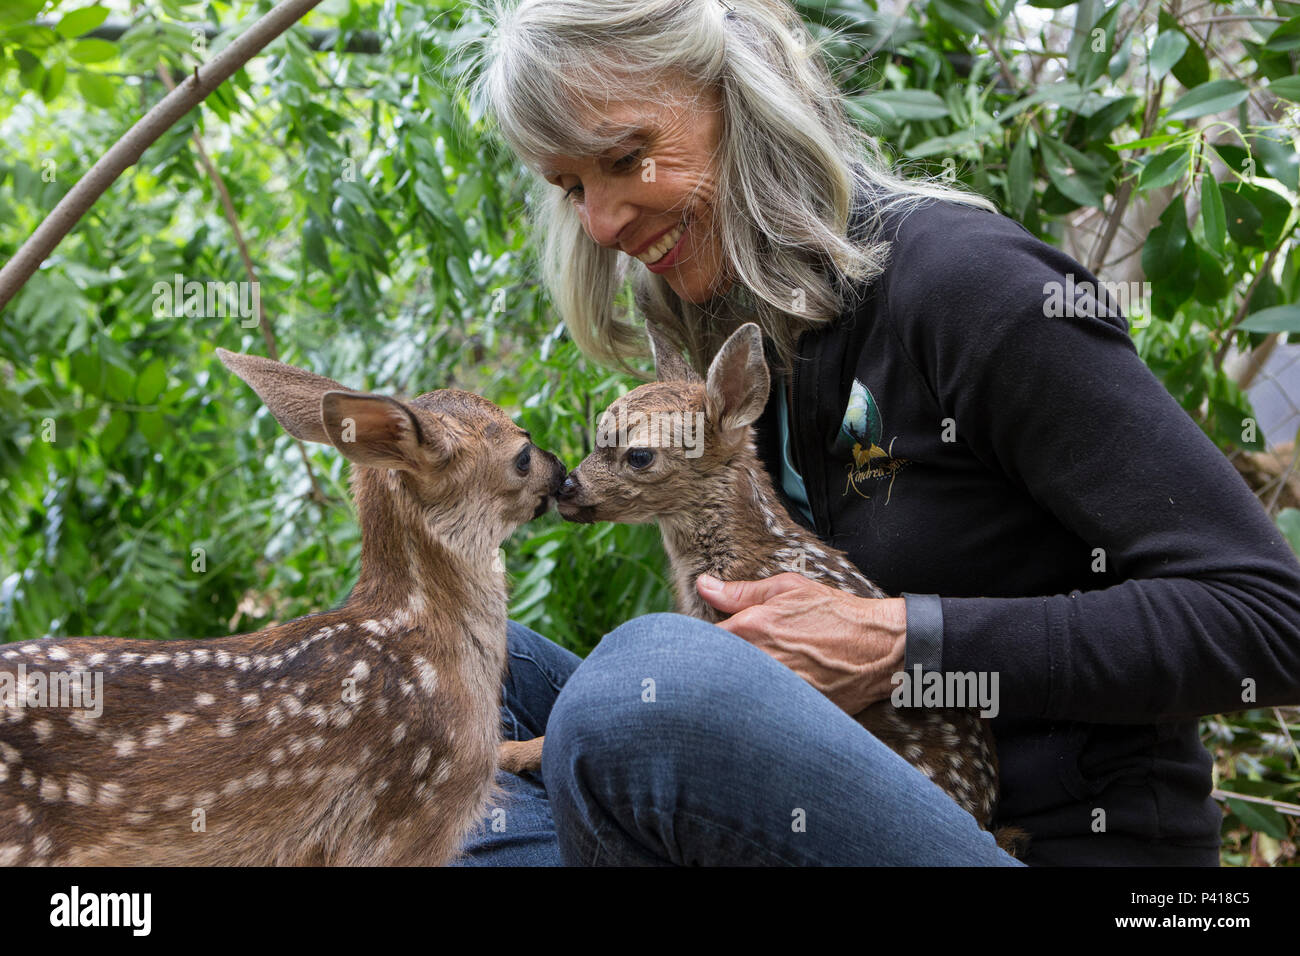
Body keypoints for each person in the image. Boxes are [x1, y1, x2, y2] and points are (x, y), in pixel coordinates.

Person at [450, 0, 1300, 865]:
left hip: (1041, 840)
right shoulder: (734, 335)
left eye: (627, 157)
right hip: (843, 792)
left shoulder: (970, 289)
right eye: (572, 188)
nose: (599, 223)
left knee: (630, 696)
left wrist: (907, 642)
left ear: (740, 99)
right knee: (459, 666)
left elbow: (1272, 618)